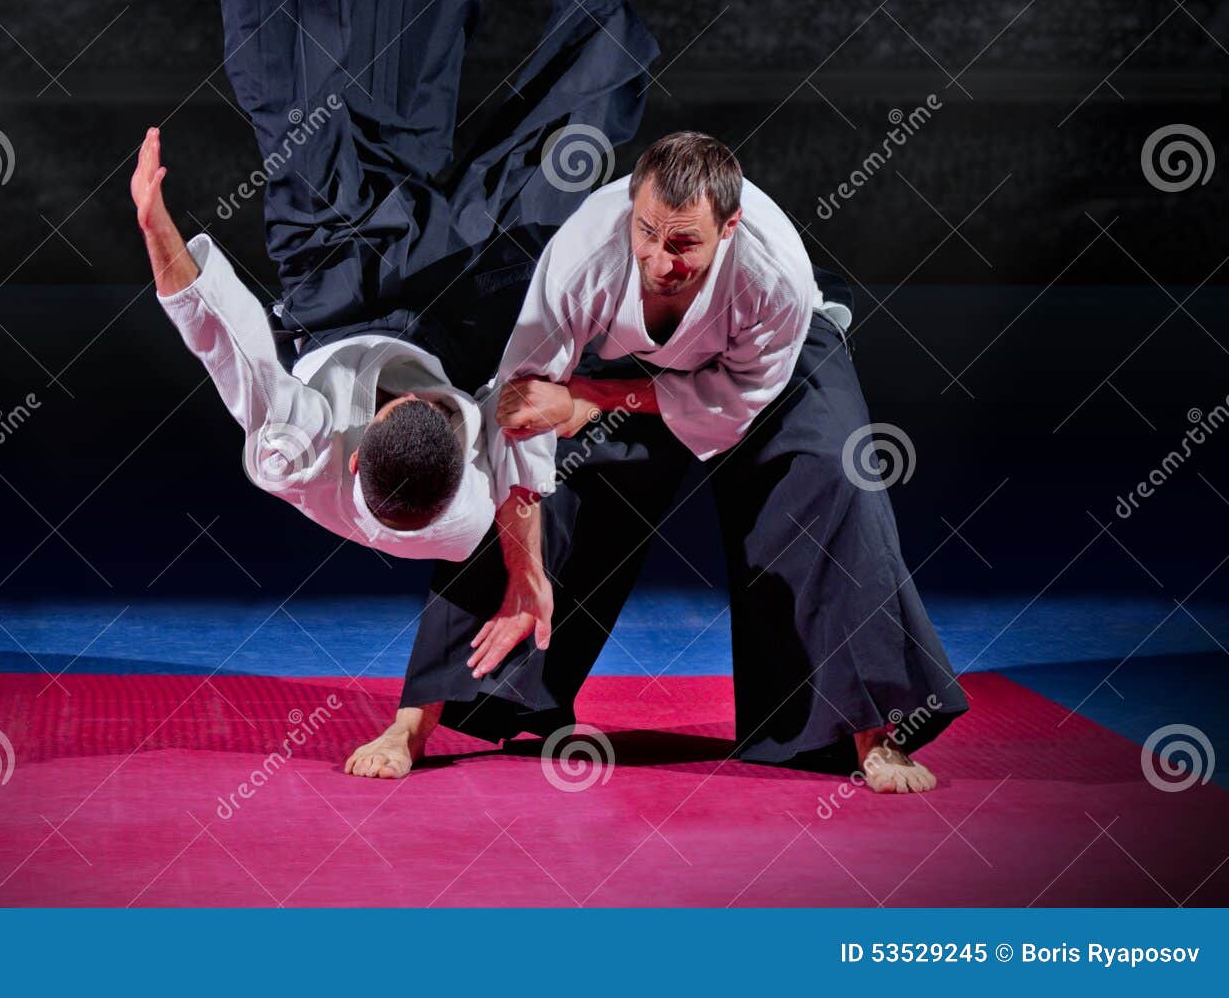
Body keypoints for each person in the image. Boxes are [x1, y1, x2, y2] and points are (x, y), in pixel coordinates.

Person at [346, 131, 968, 792]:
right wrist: (526, 572)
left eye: (683, 244)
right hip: (624, 361)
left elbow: (733, 404)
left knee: (836, 477)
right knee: (538, 478)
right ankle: (412, 721)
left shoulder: (775, 271)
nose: (659, 260)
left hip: (764, 368)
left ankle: (873, 733)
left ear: (730, 228)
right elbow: (520, 415)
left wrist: (589, 398)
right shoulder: (582, 255)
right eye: (647, 232)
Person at [130, 0, 655, 590]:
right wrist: (528, 578)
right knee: (550, 185)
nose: (400, 394)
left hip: (334, 296)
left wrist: (154, 224)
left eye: (390, 406)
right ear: (457, 436)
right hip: (452, 323)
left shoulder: (296, 452)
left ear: (351, 452)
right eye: (430, 409)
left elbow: (225, 337)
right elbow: (521, 473)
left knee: (298, 135)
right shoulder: (473, 495)